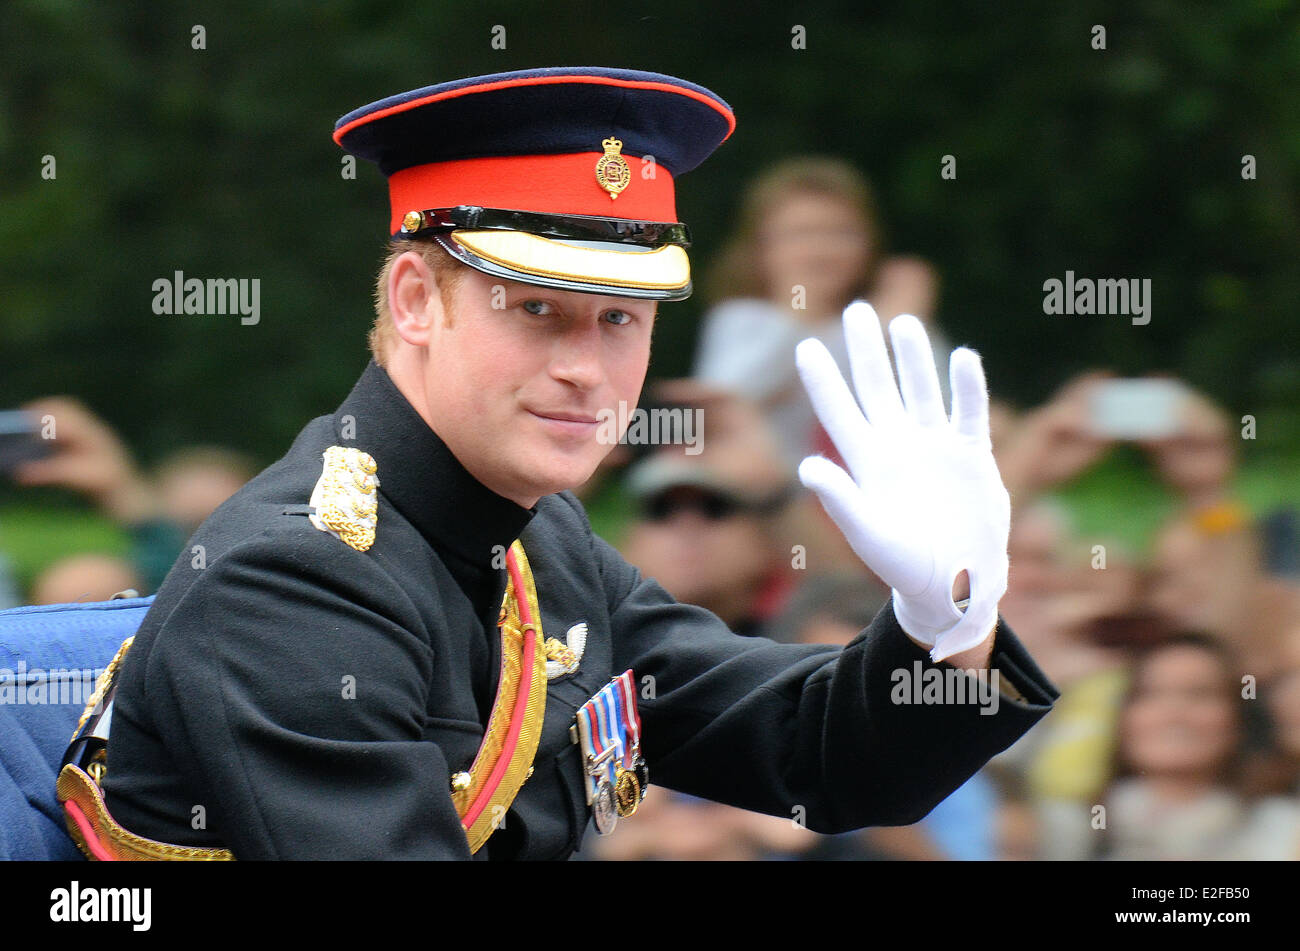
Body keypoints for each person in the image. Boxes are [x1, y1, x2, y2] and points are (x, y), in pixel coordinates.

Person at [62, 67, 1057, 861]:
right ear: (415, 300)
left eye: (622, 319)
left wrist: (947, 625)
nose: (587, 369)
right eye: (537, 309)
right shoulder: (293, 580)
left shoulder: (536, 541)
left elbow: (811, 755)